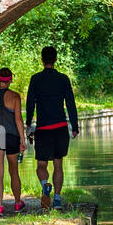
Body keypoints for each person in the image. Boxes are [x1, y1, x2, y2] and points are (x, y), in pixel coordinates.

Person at [25, 46, 79, 210]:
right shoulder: (63, 79)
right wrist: (74, 126)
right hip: (60, 127)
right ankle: (56, 199)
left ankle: (44, 185)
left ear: (42, 59)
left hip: (43, 128)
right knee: (58, 164)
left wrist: (29, 123)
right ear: (55, 60)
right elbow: (70, 103)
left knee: (41, 165)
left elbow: (30, 103)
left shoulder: (35, 79)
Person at [0, 67, 27, 216]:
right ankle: (17, 203)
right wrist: (22, 139)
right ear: (10, 80)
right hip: (12, 135)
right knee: (14, 171)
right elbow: (18, 119)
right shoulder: (15, 96)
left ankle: (0, 206)